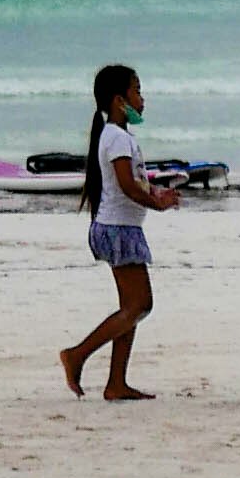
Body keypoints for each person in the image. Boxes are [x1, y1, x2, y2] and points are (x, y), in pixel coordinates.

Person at [58, 59, 183, 402]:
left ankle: (116, 383)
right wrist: (156, 203)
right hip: (118, 229)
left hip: (121, 226)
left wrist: (158, 194)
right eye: (137, 90)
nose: (143, 99)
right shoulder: (116, 138)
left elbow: (132, 183)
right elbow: (128, 186)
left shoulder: (117, 136)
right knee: (140, 304)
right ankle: (77, 355)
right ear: (119, 100)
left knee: (130, 307)